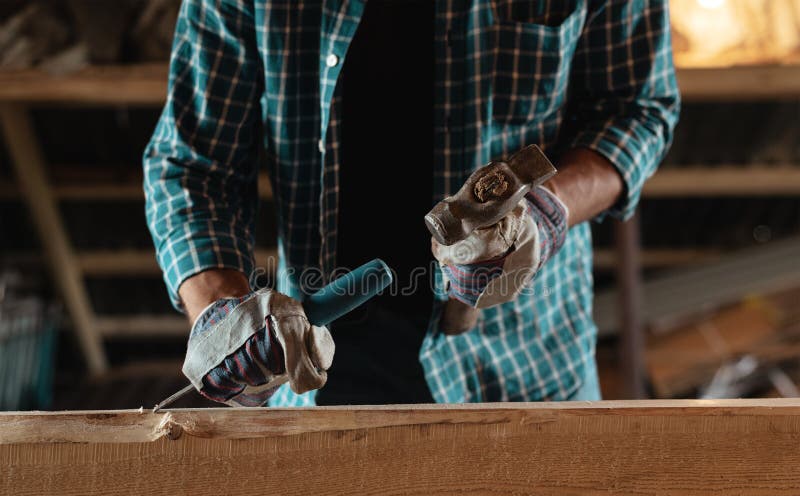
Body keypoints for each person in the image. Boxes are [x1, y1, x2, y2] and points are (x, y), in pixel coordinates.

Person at [144, 0, 680, 407]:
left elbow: (635, 107)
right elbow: (194, 165)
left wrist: (546, 211)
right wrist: (222, 313)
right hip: (317, 376)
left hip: (522, 366)